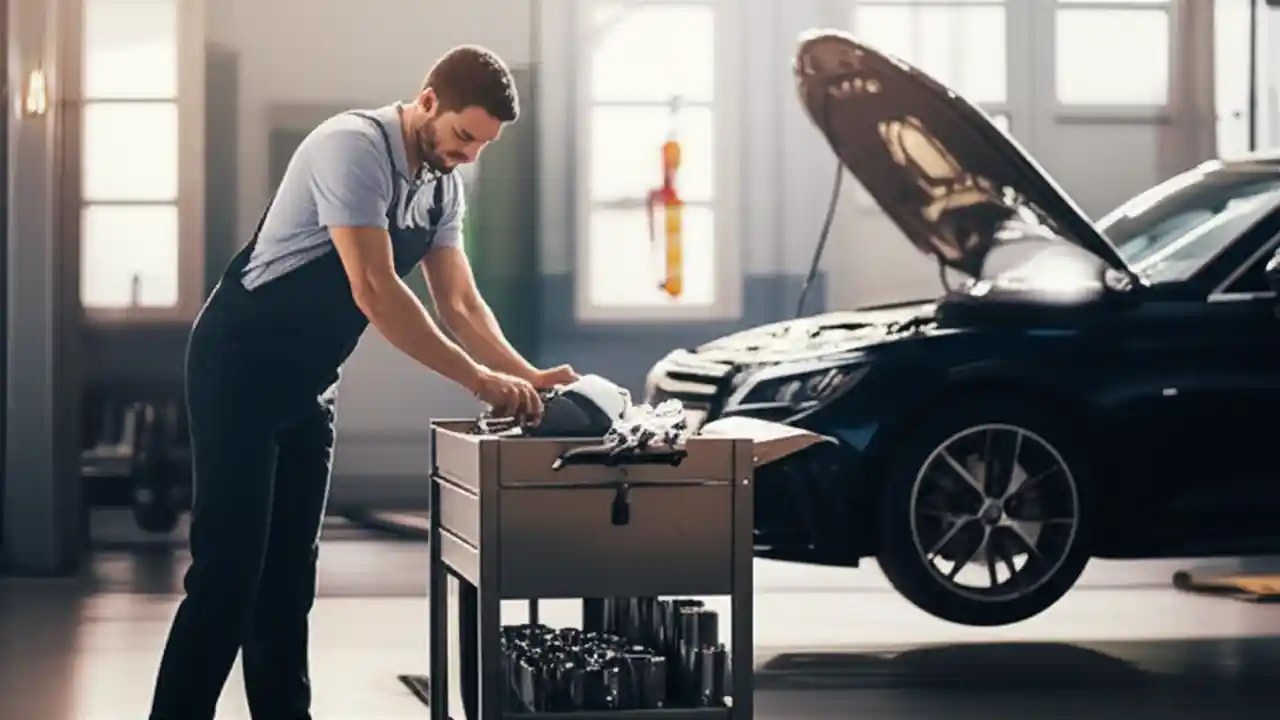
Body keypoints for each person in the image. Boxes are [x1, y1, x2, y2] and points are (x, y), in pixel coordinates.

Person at [149, 45, 577, 719]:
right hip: (240, 365)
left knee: (289, 582)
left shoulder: (443, 185)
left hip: (310, 382)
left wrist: (525, 375)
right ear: (428, 101)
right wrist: (478, 381)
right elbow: (377, 290)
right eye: (465, 137)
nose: (469, 156)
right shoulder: (352, 148)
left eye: (484, 145)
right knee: (228, 576)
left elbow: (459, 303)